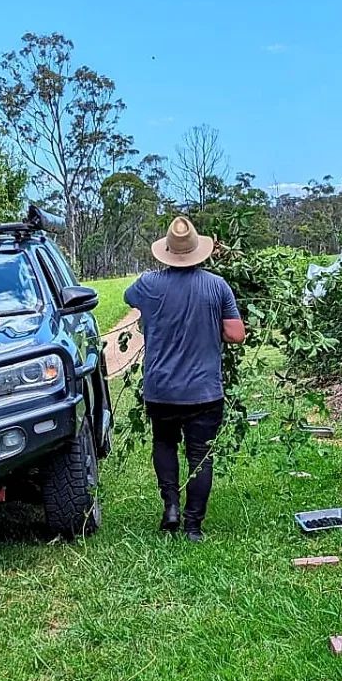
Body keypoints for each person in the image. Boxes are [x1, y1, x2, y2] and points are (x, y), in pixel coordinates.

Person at [123, 215, 246, 541]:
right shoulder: (217, 286)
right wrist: (210, 324)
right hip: (204, 391)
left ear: (167, 251)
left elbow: (128, 298)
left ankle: (171, 507)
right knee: (200, 454)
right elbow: (237, 335)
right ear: (197, 251)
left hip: (161, 389)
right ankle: (193, 526)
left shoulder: (148, 284)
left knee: (164, 443)